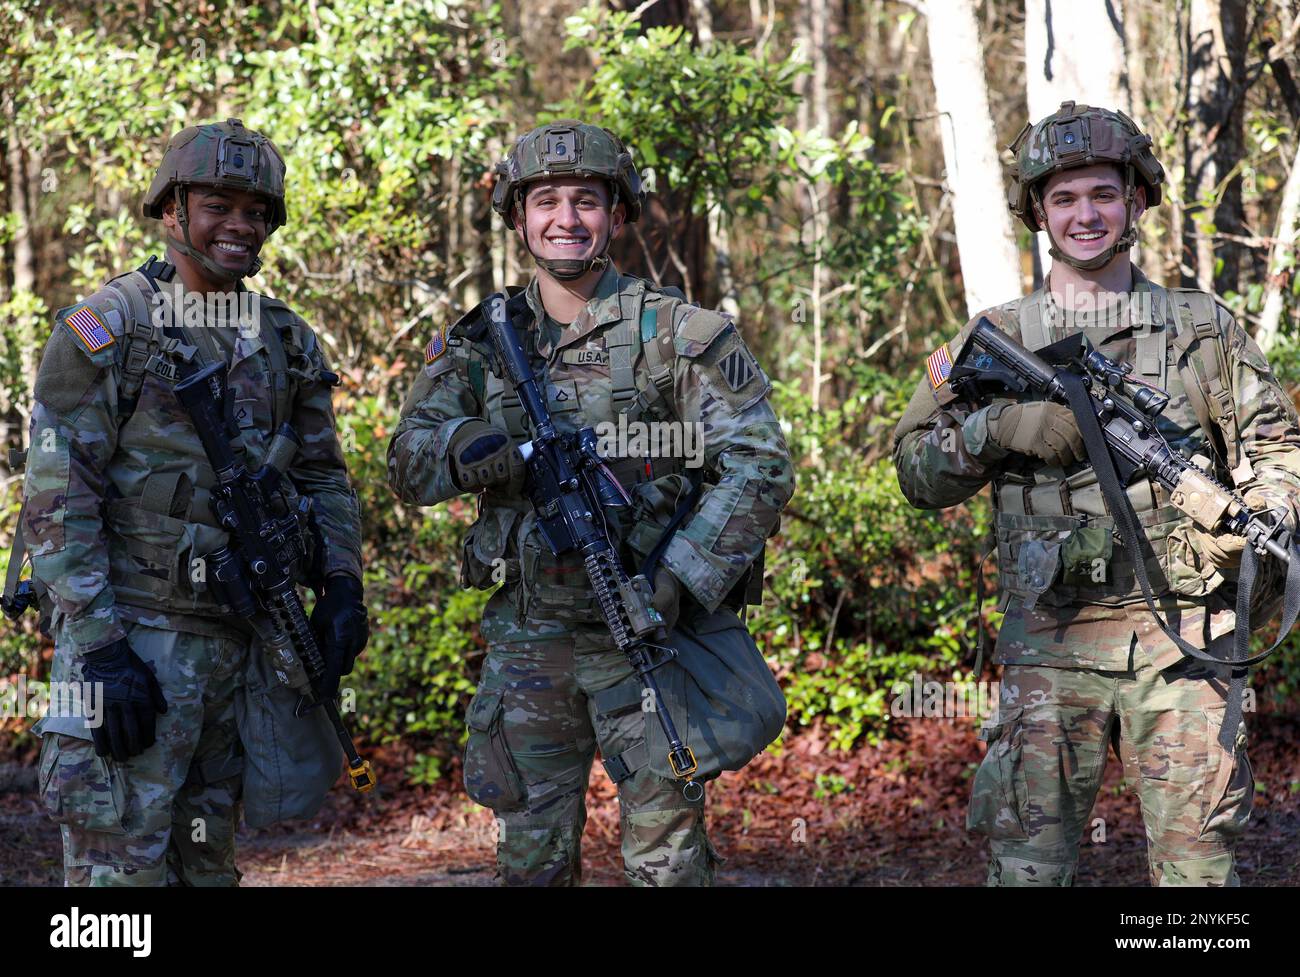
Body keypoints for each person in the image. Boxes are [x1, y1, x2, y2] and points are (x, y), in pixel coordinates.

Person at [892, 102, 1300, 886]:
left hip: (1184, 638)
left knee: (1197, 872)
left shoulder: (1201, 328)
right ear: (1038, 212)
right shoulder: (992, 338)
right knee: (1027, 868)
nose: (1086, 215)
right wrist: (997, 430)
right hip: (1049, 643)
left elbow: (1278, 448)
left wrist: (1263, 516)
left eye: (1103, 195)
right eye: (1065, 198)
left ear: (1137, 200)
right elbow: (914, 470)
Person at [387, 120, 793, 886]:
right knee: (532, 859)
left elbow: (760, 464)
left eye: (586, 200)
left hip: (647, 633)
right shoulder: (481, 341)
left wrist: (677, 578)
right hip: (530, 641)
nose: (566, 218)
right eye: (545, 201)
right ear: (518, 217)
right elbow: (407, 462)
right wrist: (472, 449)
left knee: (666, 862)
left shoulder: (679, 334)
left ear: (618, 212)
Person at [19, 118, 368, 886]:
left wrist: (342, 584)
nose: (240, 225)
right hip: (130, 641)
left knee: (207, 863)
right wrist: (102, 648)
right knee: (117, 877)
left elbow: (324, 477)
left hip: (235, 656)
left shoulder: (284, 338)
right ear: (172, 209)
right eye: (219, 204)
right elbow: (55, 497)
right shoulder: (109, 327)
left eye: (256, 211)